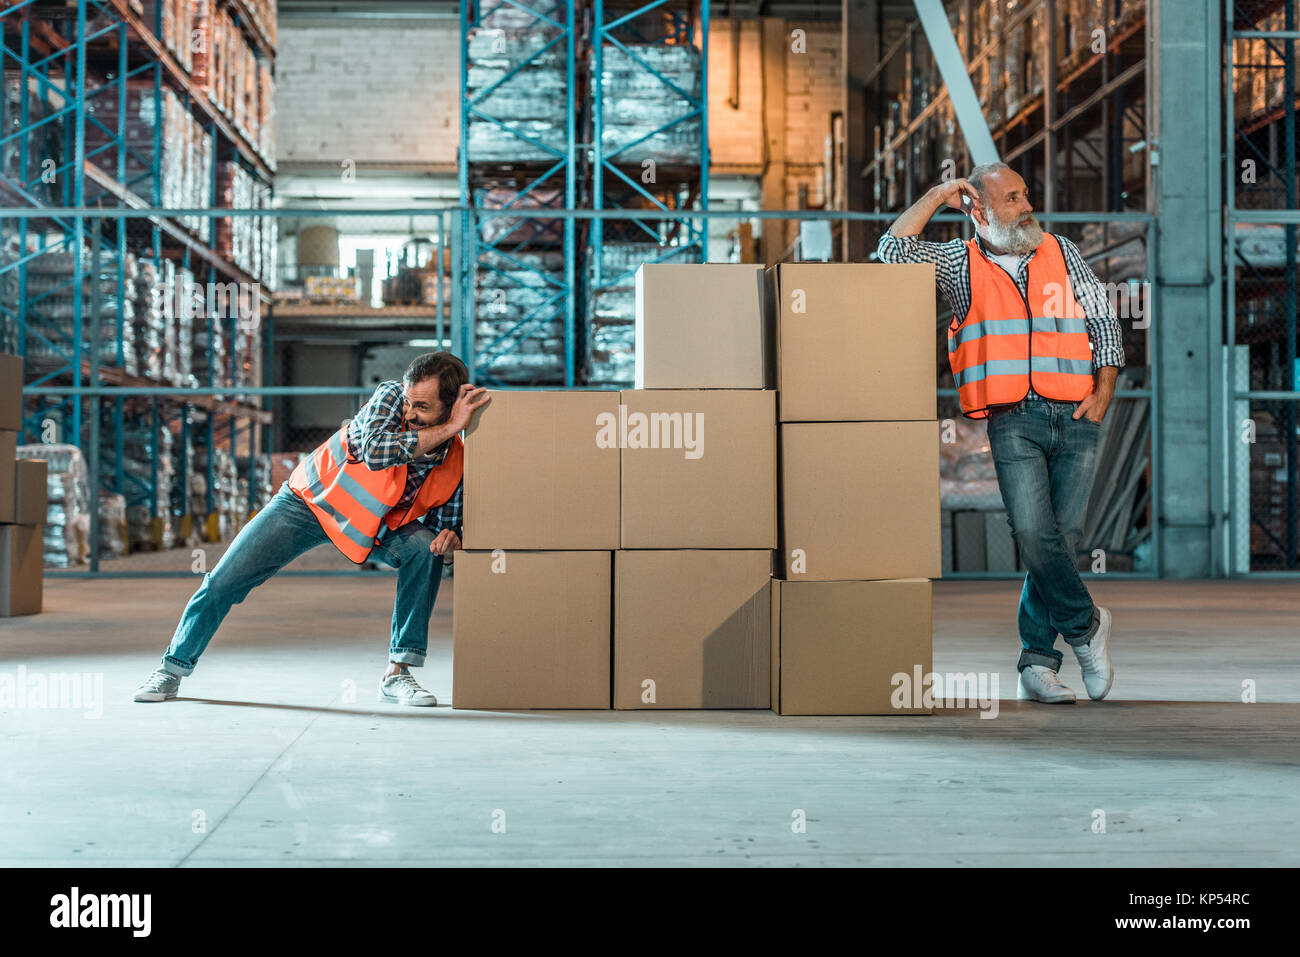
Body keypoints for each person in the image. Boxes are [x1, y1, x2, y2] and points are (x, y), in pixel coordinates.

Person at [878, 161, 1123, 704]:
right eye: (1013, 198)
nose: (1027, 204)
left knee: (1064, 539)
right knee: (1035, 535)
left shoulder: (1062, 251)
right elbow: (890, 253)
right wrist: (939, 194)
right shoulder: (958, 264)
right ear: (980, 210)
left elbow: (1104, 319)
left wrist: (1104, 390)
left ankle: (1037, 663)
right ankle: (1086, 629)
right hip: (1014, 418)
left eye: (1025, 193)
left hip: (1077, 414)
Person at [132, 351, 490, 707]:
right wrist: (449, 427)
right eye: (411, 402)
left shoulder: (457, 460)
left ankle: (398, 673)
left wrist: (453, 536)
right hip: (310, 502)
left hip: (373, 526)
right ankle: (172, 668)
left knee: (424, 548)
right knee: (226, 578)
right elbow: (376, 451)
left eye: (423, 407)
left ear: (452, 405)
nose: (409, 413)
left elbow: (447, 526)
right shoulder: (390, 396)